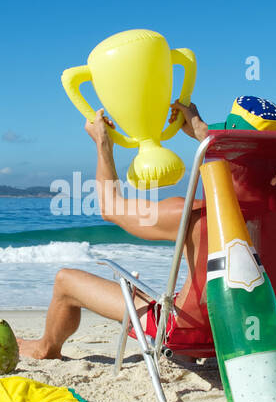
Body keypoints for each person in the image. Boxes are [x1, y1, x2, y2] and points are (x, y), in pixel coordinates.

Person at [18, 100, 211, 361]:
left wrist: (103, 143)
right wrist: (204, 132)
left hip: (190, 330)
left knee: (66, 280)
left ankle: (44, 349)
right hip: (254, 329)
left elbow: (110, 207)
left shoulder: (195, 216)